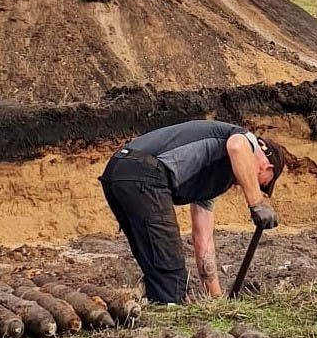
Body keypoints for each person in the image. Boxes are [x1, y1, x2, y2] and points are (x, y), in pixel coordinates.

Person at [100, 120, 286, 304]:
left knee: (154, 261)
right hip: (142, 171)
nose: (255, 185)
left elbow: (203, 242)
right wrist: (257, 204)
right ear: (267, 167)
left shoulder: (210, 180)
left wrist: (216, 301)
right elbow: (237, 147)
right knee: (169, 267)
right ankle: (170, 322)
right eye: (263, 184)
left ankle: (158, 313)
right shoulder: (247, 141)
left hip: (118, 171)